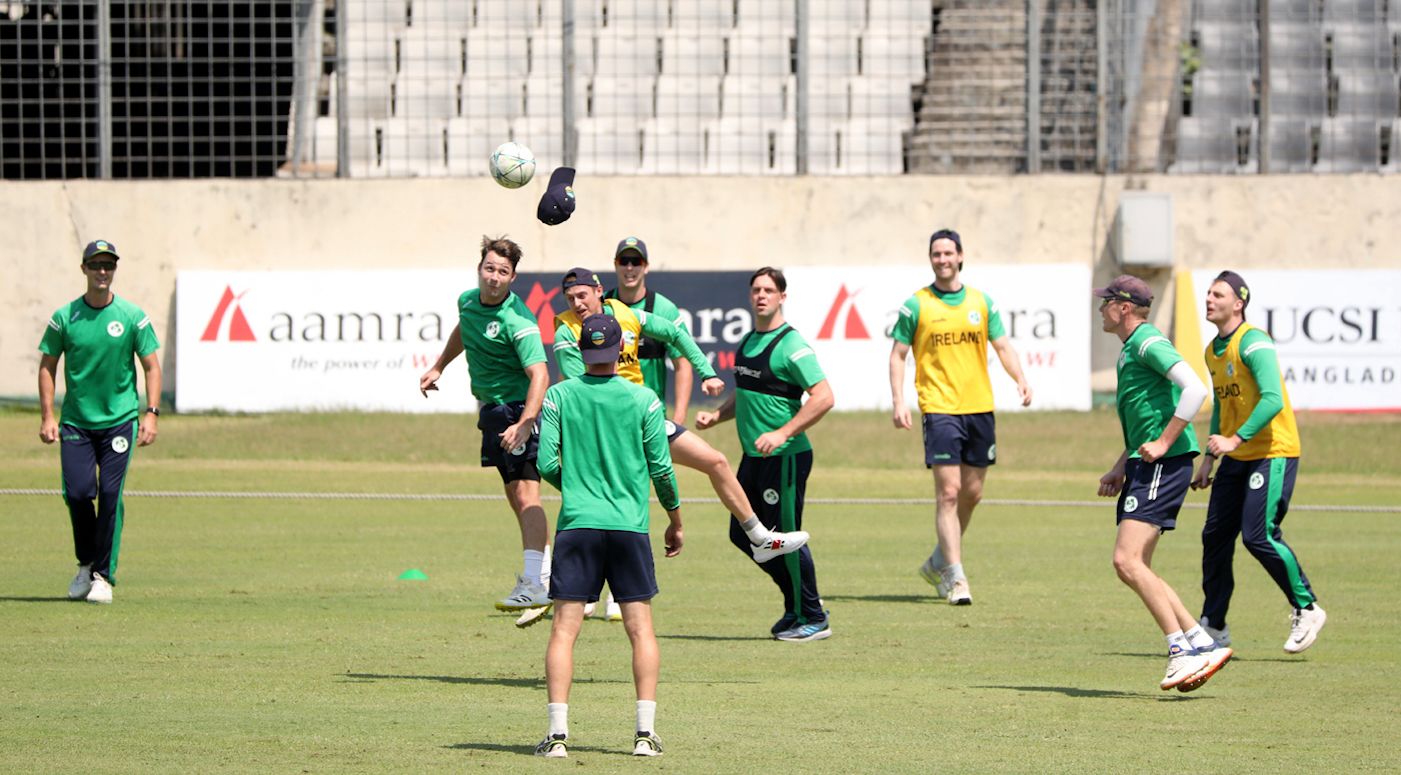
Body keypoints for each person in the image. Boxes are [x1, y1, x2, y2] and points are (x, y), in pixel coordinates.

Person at [534, 313, 684, 758]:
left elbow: (545, 465)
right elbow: (661, 468)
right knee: (640, 631)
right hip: (629, 528)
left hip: (577, 525)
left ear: (582, 350)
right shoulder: (645, 399)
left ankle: (558, 737)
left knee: (564, 630)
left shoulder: (559, 395)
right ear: (622, 351)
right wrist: (675, 519)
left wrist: (577, 488)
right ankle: (644, 735)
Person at [1094, 274, 1233, 691]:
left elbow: (1195, 391)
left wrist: (1165, 441)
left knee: (1126, 561)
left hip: (1164, 463)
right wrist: (1123, 462)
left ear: (1122, 308)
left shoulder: (1148, 342)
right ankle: (1199, 641)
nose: (1100, 309)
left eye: (1105, 303)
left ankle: (1181, 652)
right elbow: (1146, 417)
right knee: (1138, 566)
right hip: (1147, 463)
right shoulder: (1130, 348)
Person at [888, 228, 1032, 605]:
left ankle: (938, 559)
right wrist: (898, 401)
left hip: (979, 408)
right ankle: (956, 578)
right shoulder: (916, 305)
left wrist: (1020, 379)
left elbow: (1002, 345)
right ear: (931, 259)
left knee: (973, 493)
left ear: (961, 256)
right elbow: (898, 355)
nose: (942, 259)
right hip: (938, 408)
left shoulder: (982, 303)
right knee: (948, 493)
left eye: (948, 253)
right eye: (936, 254)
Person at [696, 267, 836, 641]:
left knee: (782, 535)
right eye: (756, 289)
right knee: (742, 534)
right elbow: (745, 394)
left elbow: (824, 397)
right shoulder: (749, 341)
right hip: (753, 458)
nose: (761, 295)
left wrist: (782, 432)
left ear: (782, 297)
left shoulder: (792, 345)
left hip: (786, 457)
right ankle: (795, 605)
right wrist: (718, 416)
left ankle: (814, 615)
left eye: (769, 290)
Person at [1191, 271, 1325, 653]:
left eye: (1218, 294)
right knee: (1215, 537)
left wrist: (1234, 438)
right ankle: (1214, 626)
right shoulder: (1211, 351)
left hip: (1272, 452)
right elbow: (1221, 404)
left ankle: (1307, 606)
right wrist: (1210, 459)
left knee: (1258, 535)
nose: (1209, 299)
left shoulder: (1253, 341)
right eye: (1208, 293)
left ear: (1239, 303)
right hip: (1235, 455)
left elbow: (1272, 399)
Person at [419, 236, 552, 613]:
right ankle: (543, 572)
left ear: (513, 278)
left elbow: (540, 375)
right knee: (515, 497)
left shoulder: (518, 320)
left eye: (503, 272)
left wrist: (526, 422)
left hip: (516, 411)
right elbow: (465, 329)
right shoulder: (467, 301)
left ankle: (534, 584)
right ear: (480, 268)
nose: (495, 277)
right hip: (492, 412)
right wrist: (439, 365)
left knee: (527, 496)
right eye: (490, 268)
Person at [38, 239, 162, 605]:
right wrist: (48, 416)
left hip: (120, 422)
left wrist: (150, 414)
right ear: (84, 270)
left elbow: (152, 366)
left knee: (110, 495)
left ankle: (103, 577)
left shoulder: (131, 317)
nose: (102, 272)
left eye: (108, 265)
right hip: (76, 422)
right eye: (96, 265)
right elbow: (47, 365)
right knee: (77, 494)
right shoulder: (64, 317)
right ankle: (85, 563)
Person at [604, 236, 694, 426]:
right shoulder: (602, 306)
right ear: (615, 265)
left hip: (651, 415)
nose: (630, 268)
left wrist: (678, 420)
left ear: (646, 266)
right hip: (607, 414)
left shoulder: (664, 309)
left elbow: (683, 364)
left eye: (636, 262)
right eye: (624, 261)